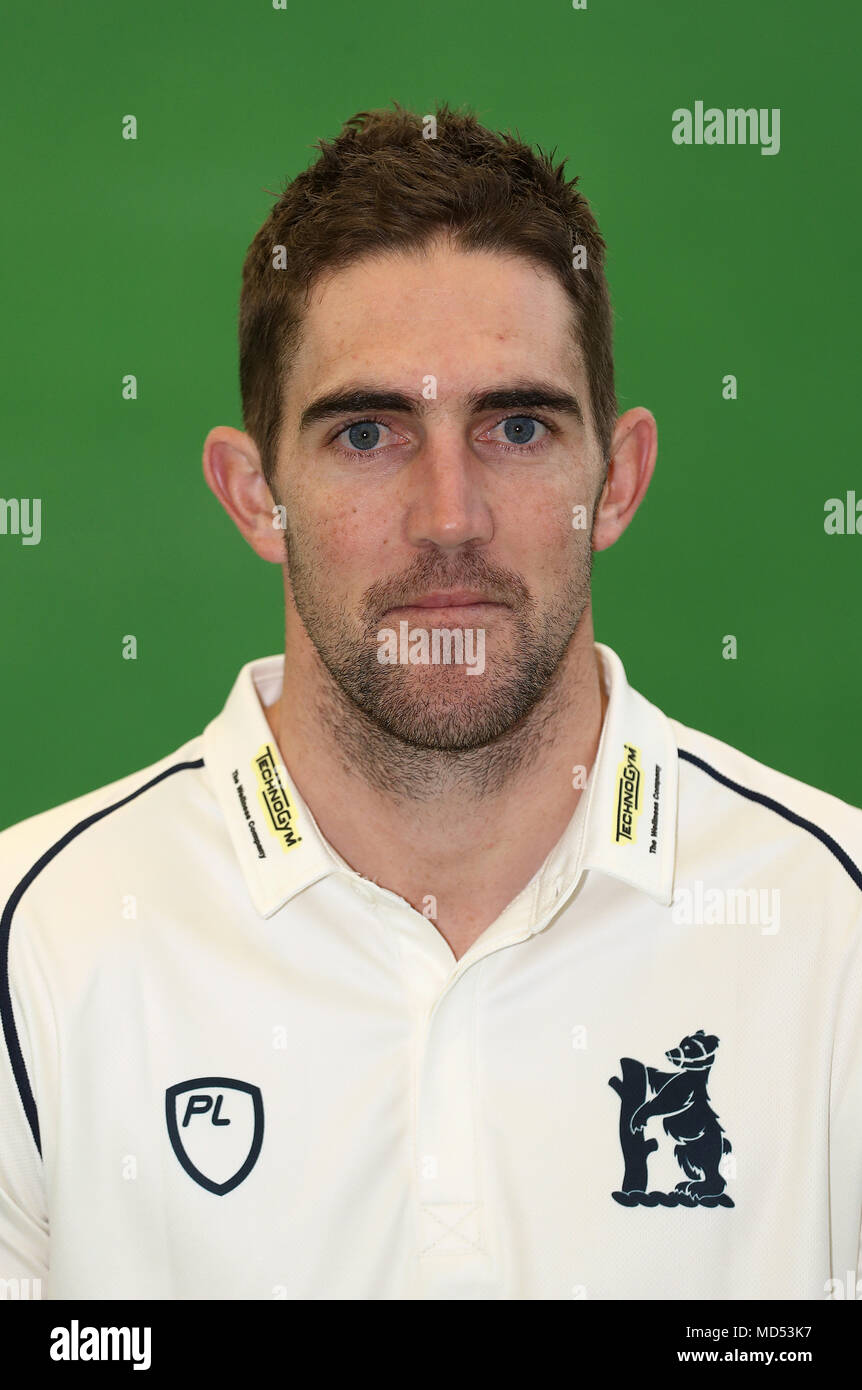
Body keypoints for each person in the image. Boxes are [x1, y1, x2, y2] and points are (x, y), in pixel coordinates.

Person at [1, 102, 860, 1301]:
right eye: (368, 433)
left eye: (515, 426)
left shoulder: (835, 937)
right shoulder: (35, 952)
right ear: (256, 497)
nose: (448, 515)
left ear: (614, 483)